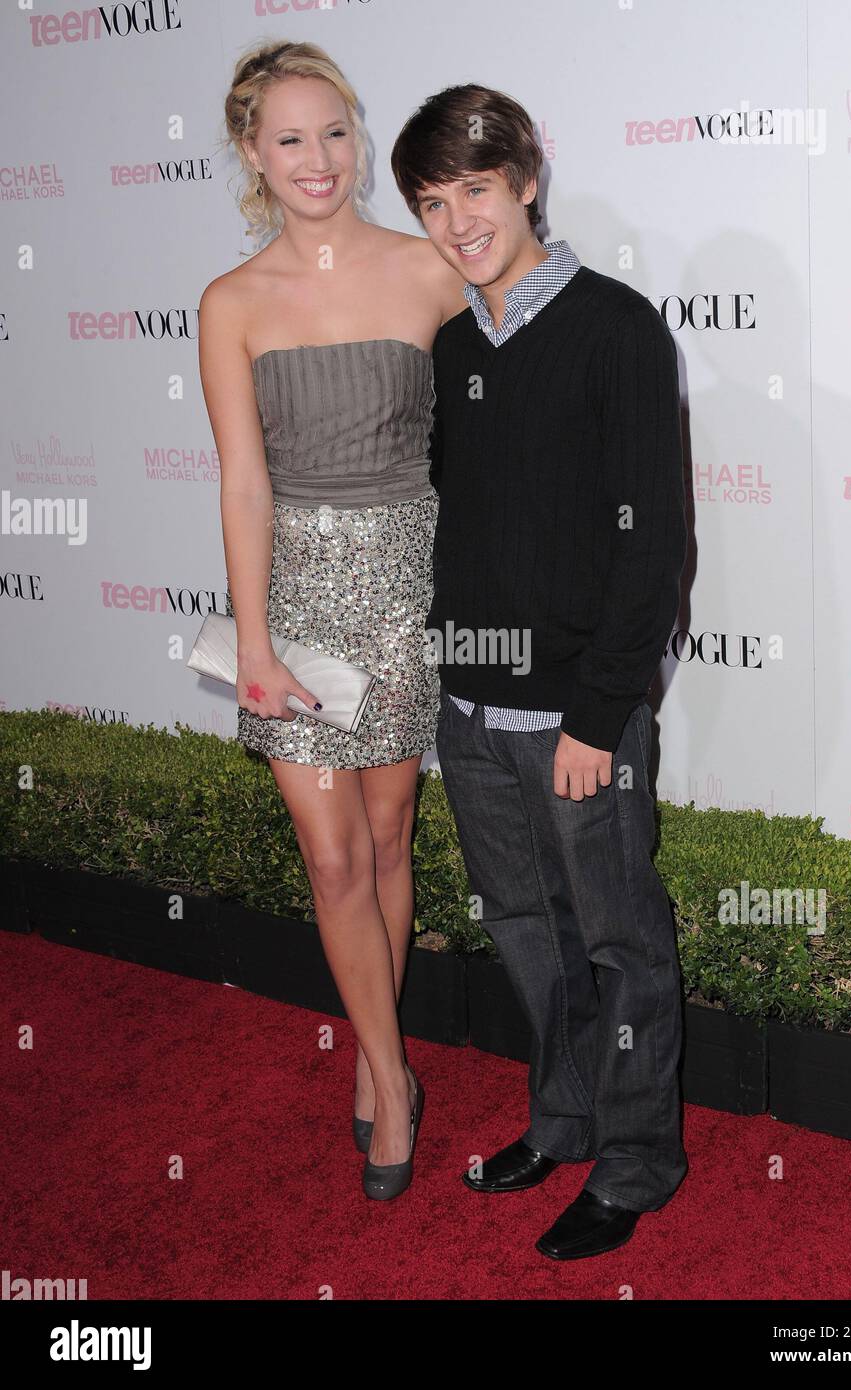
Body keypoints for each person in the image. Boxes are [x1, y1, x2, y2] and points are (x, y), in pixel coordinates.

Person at [391, 84, 689, 1258]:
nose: (457, 218)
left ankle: (634, 1162)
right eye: (430, 200)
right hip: (470, 715)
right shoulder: (453, 342)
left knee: (619, 947)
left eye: (474, 187)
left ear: (524, 178)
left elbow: (652, 546)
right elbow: (461, 524)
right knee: (527, 932)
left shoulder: (615, 326)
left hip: (575, 719)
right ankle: (563, 1121)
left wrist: (597, 715)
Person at [198, 40, 464, 1201]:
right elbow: (244, 484)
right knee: (332, 851)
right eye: (290, 138)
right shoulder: (230, 303)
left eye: (336, 131)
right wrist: (252, 642)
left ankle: (370, 1056)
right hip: (296, 600)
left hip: (407, 583)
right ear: (253, 153)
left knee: (393, 837)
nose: (318, 159)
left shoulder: (429, 272)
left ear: (360, 138)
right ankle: (395, 1077)